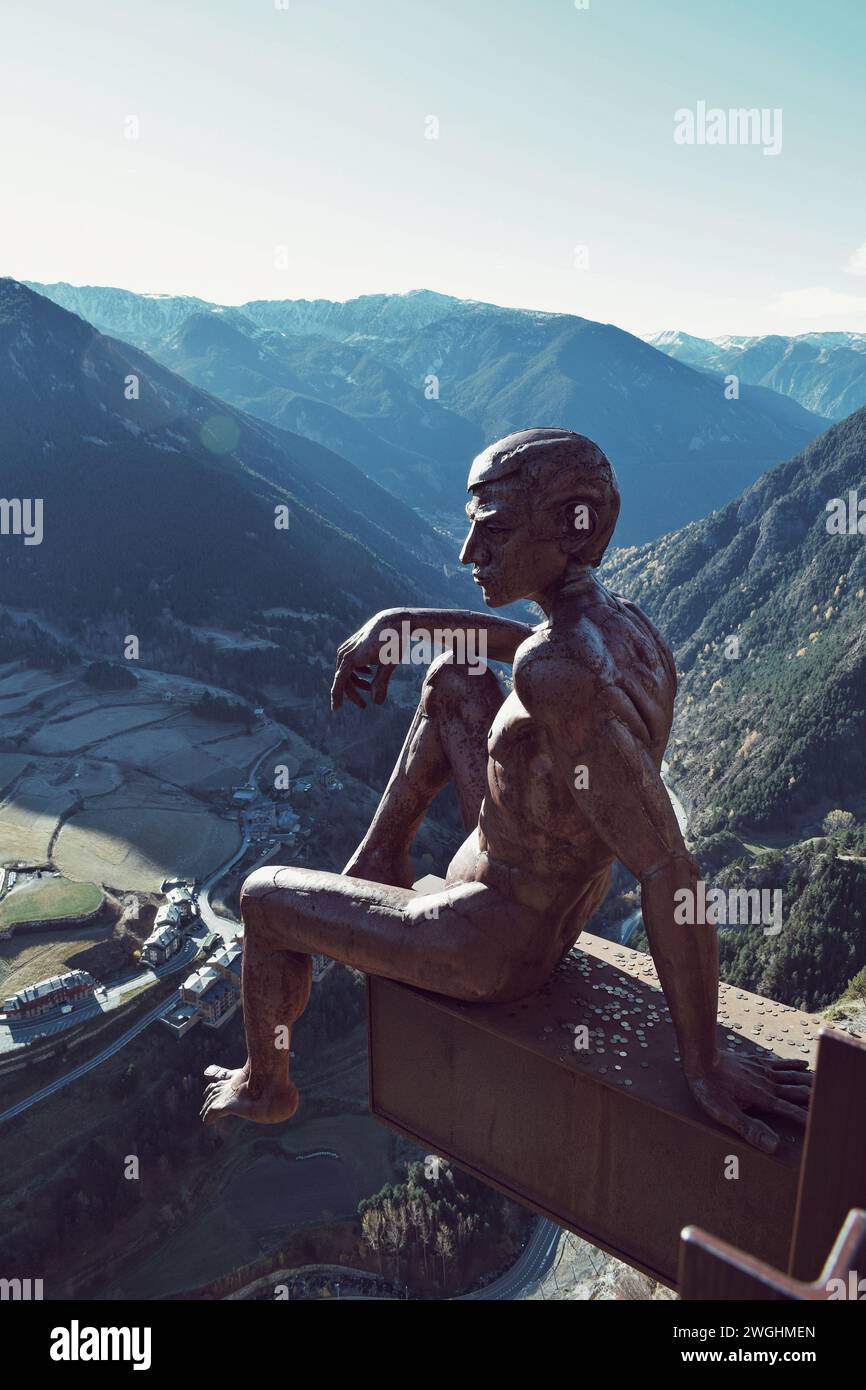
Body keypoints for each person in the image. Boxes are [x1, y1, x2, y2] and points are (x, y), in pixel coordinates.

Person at [202, 428, 810, 1152]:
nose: (469, 555)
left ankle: (266, 1085)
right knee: (453, 679)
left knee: (263, 900)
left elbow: (668, 867)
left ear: (568, 526)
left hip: (494, 946)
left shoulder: (560, 677)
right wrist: (402, 625)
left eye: (494, 533)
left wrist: (704, 1060)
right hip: (531, 887)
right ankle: (377, 861)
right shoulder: (623, 629)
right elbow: (520, 647)